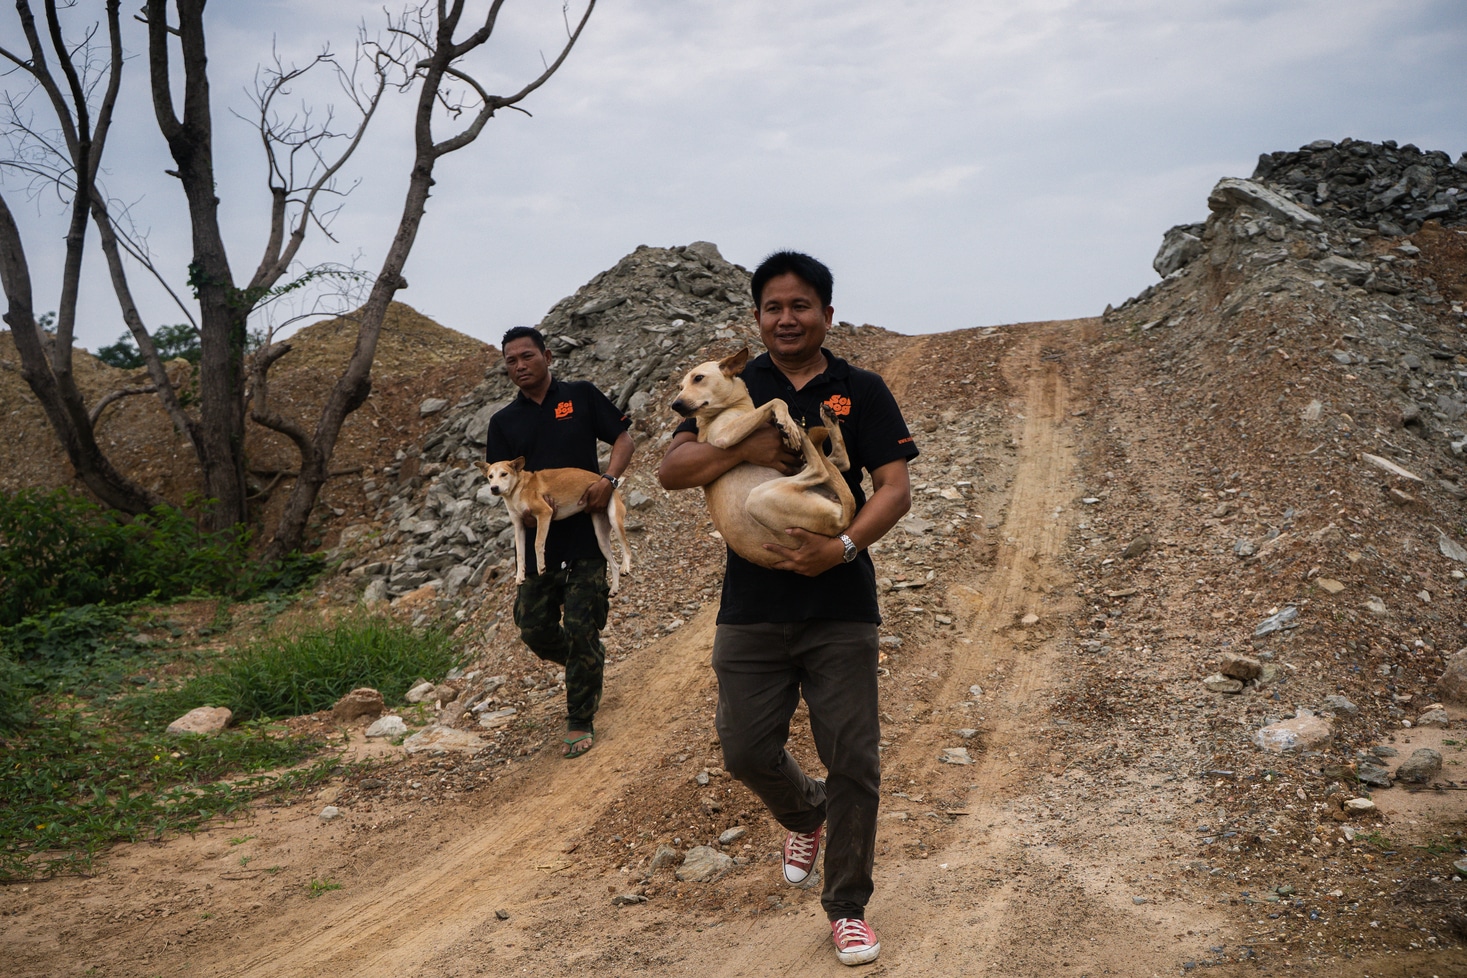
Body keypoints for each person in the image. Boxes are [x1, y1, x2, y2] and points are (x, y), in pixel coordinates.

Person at [657, 252, 916, 966]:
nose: (786, 318)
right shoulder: (733, 386)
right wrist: (758, 445)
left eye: (800, 305)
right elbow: (672, 470)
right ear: (757, 318)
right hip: (752, 607)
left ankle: (847, 909)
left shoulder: (858, 389)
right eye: (772, 307)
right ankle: (805, 815)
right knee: (742, 747)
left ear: (826, 315)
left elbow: (893, 487)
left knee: (853, 760)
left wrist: (845, 550)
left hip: (838, 603)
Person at [485, 326, 634, 759]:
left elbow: (623, 438)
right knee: (533, 628)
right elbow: (502, 483)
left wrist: (609, 480)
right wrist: (526, 514)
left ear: (547, 356)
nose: (519, 366)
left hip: (586, 534)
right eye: (511, 361)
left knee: (583, 625)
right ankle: (586, 661)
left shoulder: (581, 396)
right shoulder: (503, 422)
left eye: (527, 357)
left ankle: (579, 718)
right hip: (538, 545)